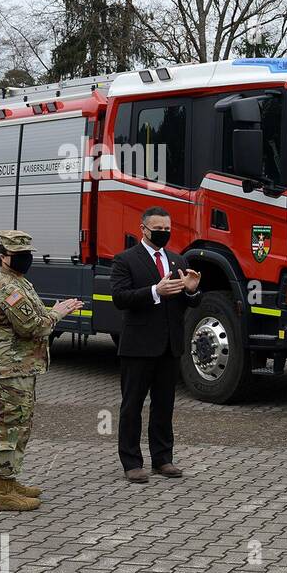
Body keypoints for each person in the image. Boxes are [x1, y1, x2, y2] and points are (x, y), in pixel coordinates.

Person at [0, 231, 83, 511]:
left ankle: (10, 481)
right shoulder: (5, 286)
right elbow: (32, 326)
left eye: (28, 253)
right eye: (19, 254)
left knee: (20, 426)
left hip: (20, 368)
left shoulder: (18, 281)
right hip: (9, 369)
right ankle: (2, 493)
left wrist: (50, 313)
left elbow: (34, 319)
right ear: (3, 256)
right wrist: (58, 312)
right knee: (9, 429)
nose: (26, 258)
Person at [110, 207, 202, 484]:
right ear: (144, 229)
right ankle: (131, 462)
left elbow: (191, 303)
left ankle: (163, 459)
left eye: (167, 228)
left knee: (164, 405)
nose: (163, 232)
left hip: (169, 346)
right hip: (138, 346)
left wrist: (192, 290)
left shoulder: (177, 259)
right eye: (158, 228)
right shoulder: (125, 260)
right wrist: (154, 291)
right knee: (132, 406)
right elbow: (120, 298)